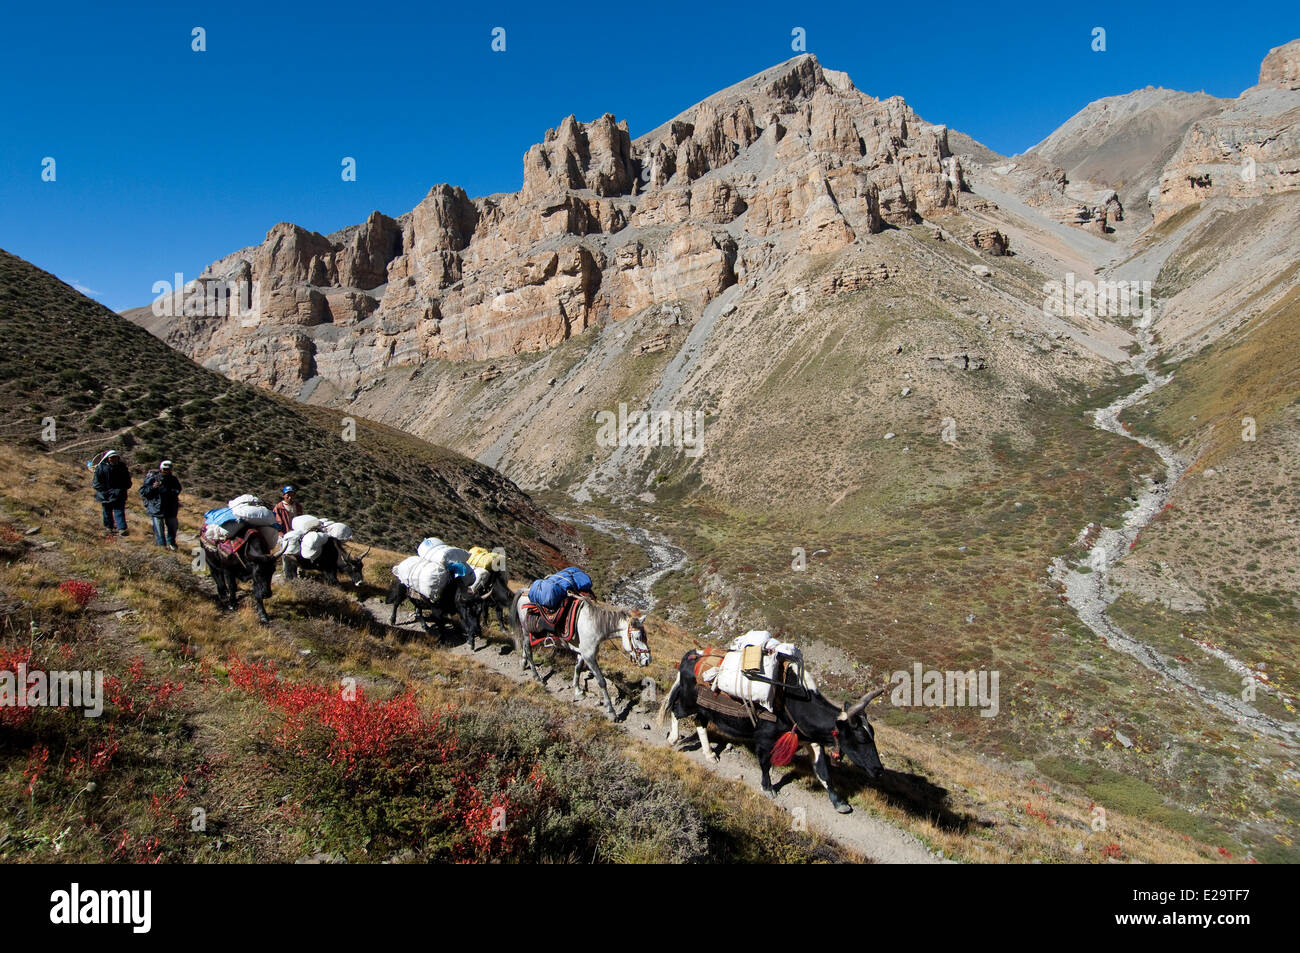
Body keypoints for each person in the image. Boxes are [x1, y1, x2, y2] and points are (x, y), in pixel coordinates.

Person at [140, 460, 182, 550]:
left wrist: (165, 489)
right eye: (164, 469)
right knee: (159, 529)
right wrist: (153, 487)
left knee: (172, 527)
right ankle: (161, 546)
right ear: (161, 468)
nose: (166, 470)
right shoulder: (152, 478)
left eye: (168, 469)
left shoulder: (173, 480)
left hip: (170, 508)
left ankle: (171, 543)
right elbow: (143, 491)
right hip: (156, 508)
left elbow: (177, 491)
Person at [92, 450, 132, 536]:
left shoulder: (122, 468)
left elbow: (127, 481)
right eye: (112, 458)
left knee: (119, 511)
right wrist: (103, 491)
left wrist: (122, 489)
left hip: (119, 494)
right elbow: (96, 482)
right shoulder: (101, 468)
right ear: (108, 458)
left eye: (115, 457)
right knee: (107, 512)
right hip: (105, 495)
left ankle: (121, 528)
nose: (113, 459)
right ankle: (109, 528)